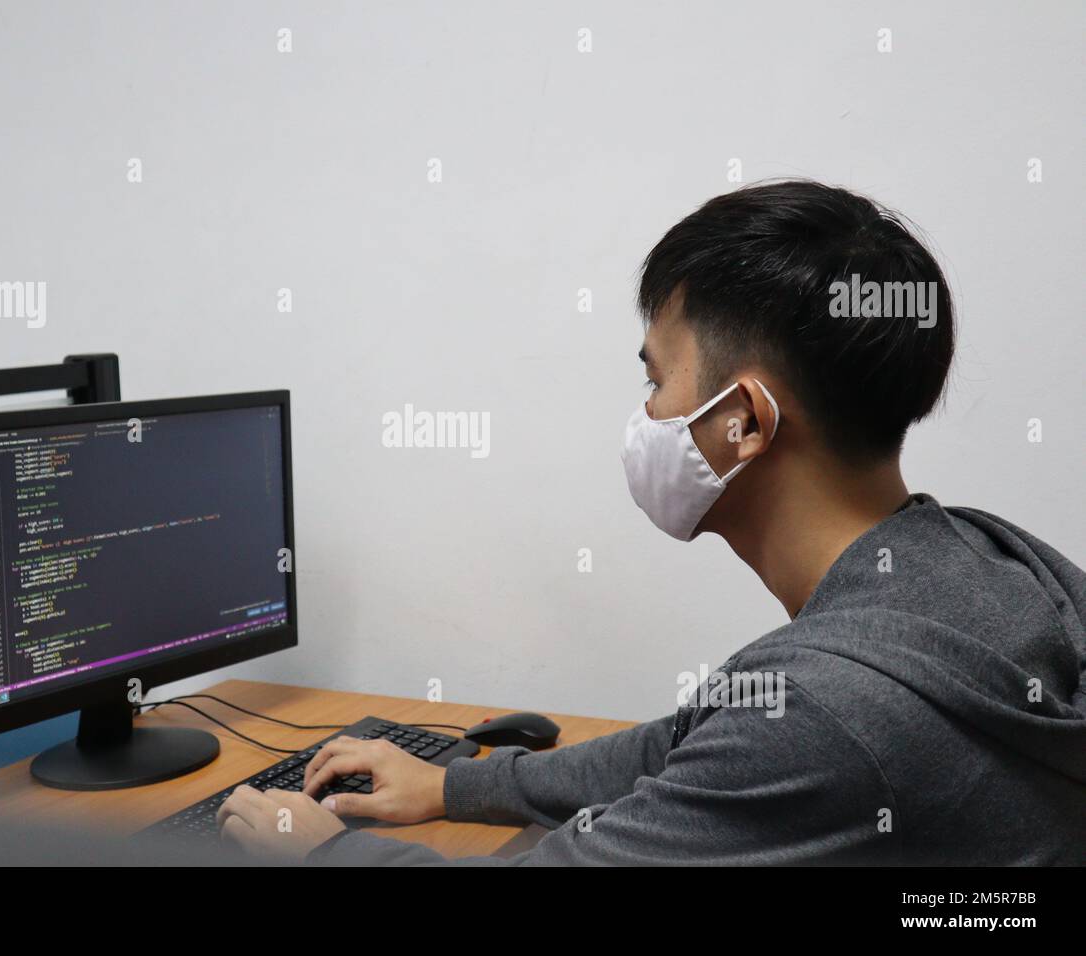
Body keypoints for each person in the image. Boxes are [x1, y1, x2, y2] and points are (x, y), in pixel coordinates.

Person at [214, 181, 1086, 865]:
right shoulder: (990, 560)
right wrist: (460, 789)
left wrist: (323, 849)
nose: (648, 412)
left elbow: (760, 739)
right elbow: (697, 741)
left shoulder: (825, 711)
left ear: (742, 419)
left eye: (657, 378)